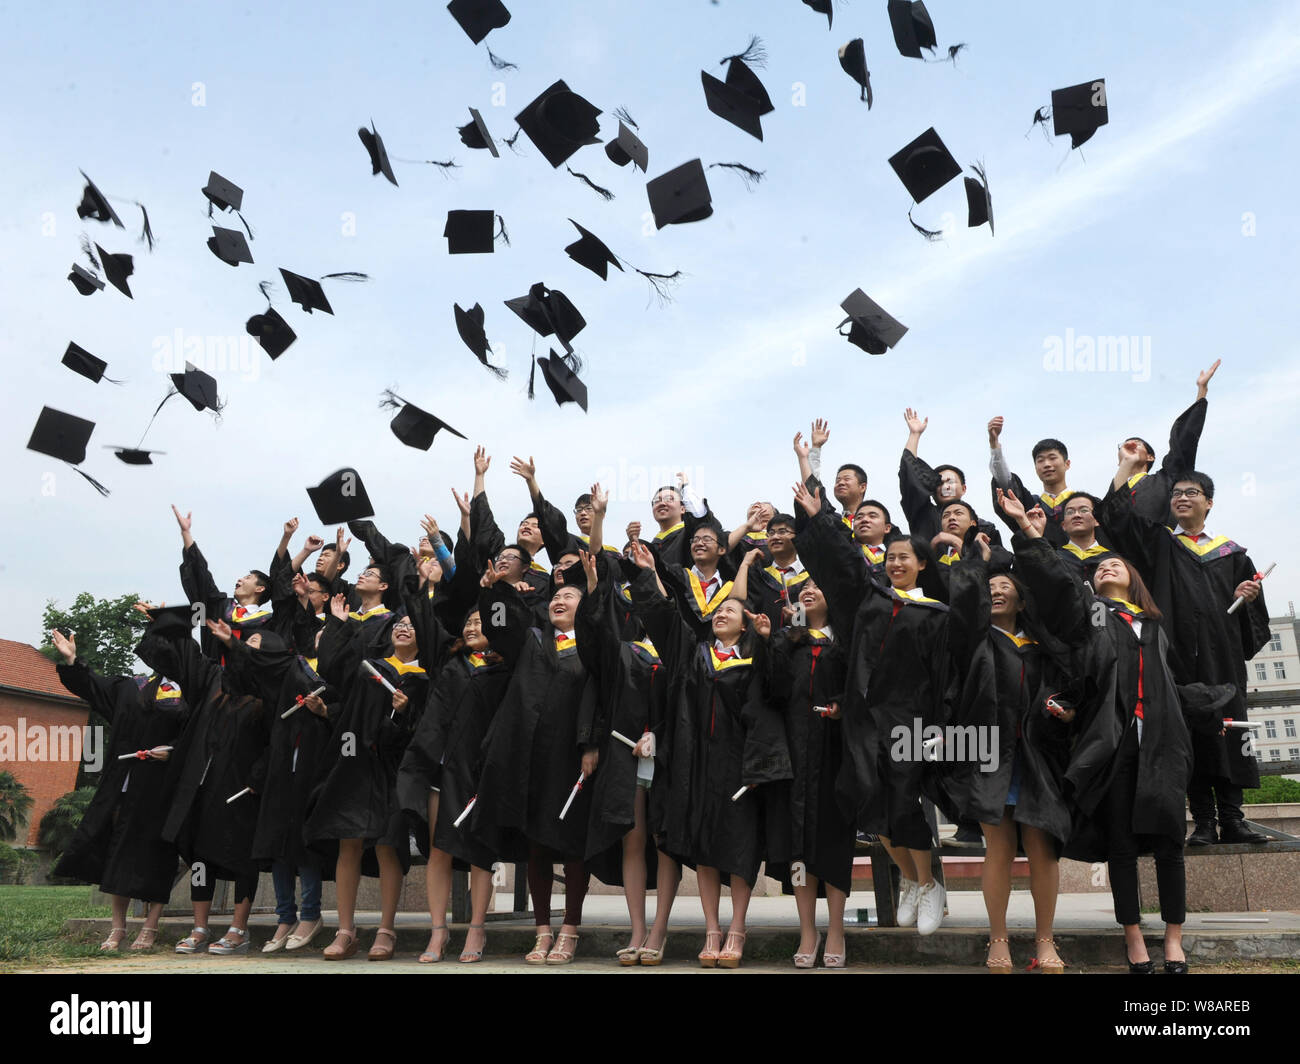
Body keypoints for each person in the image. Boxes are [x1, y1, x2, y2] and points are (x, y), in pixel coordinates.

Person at [1002, 489, 1231, 975]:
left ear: (1134, 578)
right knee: (1122, 844)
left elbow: (1170, 683)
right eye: (1100, 566)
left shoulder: (1154, 626)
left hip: (1164, 743)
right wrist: (1031, 534)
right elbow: (1062, 596)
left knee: (1171, 842)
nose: (1107, 567)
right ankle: (1134, 939)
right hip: (1115, 741)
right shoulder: (1091, 620)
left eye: (1117, 565)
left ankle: (1173, 939)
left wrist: (1212, 702)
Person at [794, 482, 952, 937]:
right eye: (892, 557)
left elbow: (946, 676)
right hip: (865, 718)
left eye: (906, 557)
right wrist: (821, 517)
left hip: (910, 721)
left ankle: (927, 883)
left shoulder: (936, 614)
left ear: (922, 564)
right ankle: (910, 878)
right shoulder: (869, 599)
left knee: (903, 803)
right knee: (867, 800)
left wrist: (940, 727)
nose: (896, 562)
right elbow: (841, 566)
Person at [627, 541, 791, 968]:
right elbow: (664, 619)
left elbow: (773, 702)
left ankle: (737, 928)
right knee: (702, 848)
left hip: (738, 767)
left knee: (738, 849)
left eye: (731, 612)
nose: (721, 614)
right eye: (718, 611)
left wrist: (770, 645)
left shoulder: (755, 658)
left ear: (746, 625)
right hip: (695, 763)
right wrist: (648, 575)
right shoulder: (694, 654)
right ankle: (712, 929)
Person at [1101, 458, 1269, 846]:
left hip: (1222, 660)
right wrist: (1126, 467)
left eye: (1191, 493)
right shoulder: (1159, 542)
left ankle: (1234, 819)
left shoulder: (1232, 553)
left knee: (1230, 733)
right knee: (1187, 736)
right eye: (1176, 493)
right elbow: (1116, 519)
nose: (1181, 498)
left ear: (1208, 502)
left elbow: (1252, 619)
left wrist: (1248, 596)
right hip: (1174, 659)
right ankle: (1205, 823)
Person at [942, 528, 1075, 973]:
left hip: (1038, 756)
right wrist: (973, 564)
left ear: (1021, 601)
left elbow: (1069, 686)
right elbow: (962, 608)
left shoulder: (1042, 646)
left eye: (1005, 588)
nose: (996, 592)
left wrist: (1064, 708)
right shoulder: (972, 640)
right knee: (997, 846)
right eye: (989, 588)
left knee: (1042, 848)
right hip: (988, 753)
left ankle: (1045, 940)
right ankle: (997, 938)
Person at [398, 565, 531, 964]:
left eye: (481, 620)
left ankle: (476, 928)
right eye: (469, 621)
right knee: (439, 849)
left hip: (480, 771)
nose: (473, 626)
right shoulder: (448, 660)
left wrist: (496, 595)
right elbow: (424, 618)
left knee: (478, 849)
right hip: (442, 769)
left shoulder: (506, 667)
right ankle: (438, 932)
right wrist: (426, 584)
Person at [306, 585, 441, 961]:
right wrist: (338, 624)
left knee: (387, 844)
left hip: (397, 769)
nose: (402, 627)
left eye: (412, 625)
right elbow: (340, 685)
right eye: (399, 623)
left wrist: (405, 712)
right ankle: (346, 930)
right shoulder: (371, 668)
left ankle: (386, 930)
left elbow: (426, 730)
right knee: (348, 840)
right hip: (358, 764)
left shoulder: (426, 679)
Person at [470, 575, 597, 965]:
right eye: (556, 596)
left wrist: (591, 743)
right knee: (537, 844)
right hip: (530, 756)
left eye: (570, 596)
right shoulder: (532, 640)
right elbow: (497, 625)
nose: (559, 600)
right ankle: (543, 931)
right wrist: (495, 591)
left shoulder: (594, 646)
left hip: (571, 756)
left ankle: (570, 930)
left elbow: (601, 696)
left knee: (573, 844)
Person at [135, 610, 273, 957]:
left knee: (243, 859)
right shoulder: (214, 681)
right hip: (202, 785)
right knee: (198, 857)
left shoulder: (269, 693)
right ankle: (200, 927)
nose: (245, 647)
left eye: (254, 644)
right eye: (244, 642)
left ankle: (238, 930)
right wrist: (164, 621)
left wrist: (257, 777)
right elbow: (186, 655)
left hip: (241, 790)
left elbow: (277, 742)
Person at [48, 625, 189, 953]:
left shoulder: (189, 692)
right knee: (118, 853)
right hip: (124, 784)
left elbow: (199, 735)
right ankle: (118, 927)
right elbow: (93, 687)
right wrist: (73, 662)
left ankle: (151, 927)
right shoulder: (131, 687)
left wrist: (173, 749)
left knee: (158, 854)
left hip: (162, 787)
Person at [574, 546, 680, 966]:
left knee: (665, 840)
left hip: (669, 756)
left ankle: (659, 929)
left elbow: (687, 705)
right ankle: (637, 927)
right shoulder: (623, 650)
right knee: (633, 841)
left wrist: (660, 734)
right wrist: (596, 585)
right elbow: (594, 637)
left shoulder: (679, 648)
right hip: (628, 755)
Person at [220, 626, 335, 954]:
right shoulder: (281, 674)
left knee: (304, 842)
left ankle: (311, 914)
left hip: (314, 764)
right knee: (276, 841)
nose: (250, 648)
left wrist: (324, 710)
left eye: (256, 643)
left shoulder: (314, 668)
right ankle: (285, 917)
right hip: (282, 763)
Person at [759, 577, 853, 968]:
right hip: (794, 753)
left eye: (819, 585)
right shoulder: (788, 639)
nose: (809, 591)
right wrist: (772, 640)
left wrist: (841, 707)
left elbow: (861, 685)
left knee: (832, 840)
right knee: (796, 843)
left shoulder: (845, 640)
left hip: (834, 753)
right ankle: (807, 930)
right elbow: (772, 690)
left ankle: (835, 928)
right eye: (803, 589)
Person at [171, 505, 274, 659]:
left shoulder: (268, 622)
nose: (240, 579)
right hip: (212, 679)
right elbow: (202, 577)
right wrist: (186, 533)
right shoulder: (217, 606)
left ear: (260, 589)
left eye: (247, 578)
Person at [898, 409, 1002, 546]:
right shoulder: (923, 516)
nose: (945, 487)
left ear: (964, 488)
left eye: (950, 482)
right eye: (939, 483)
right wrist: (914, 435)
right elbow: (909, 476)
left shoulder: (984, 528)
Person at [987, 418, 1080, 547]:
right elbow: (1006, 484)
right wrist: (994, 445)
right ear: (1035, 467)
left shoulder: (1088, 504)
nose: (1046, 464)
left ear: (1067, 464)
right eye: (1040, 460)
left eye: (1052, 458)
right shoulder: (1030, 506)